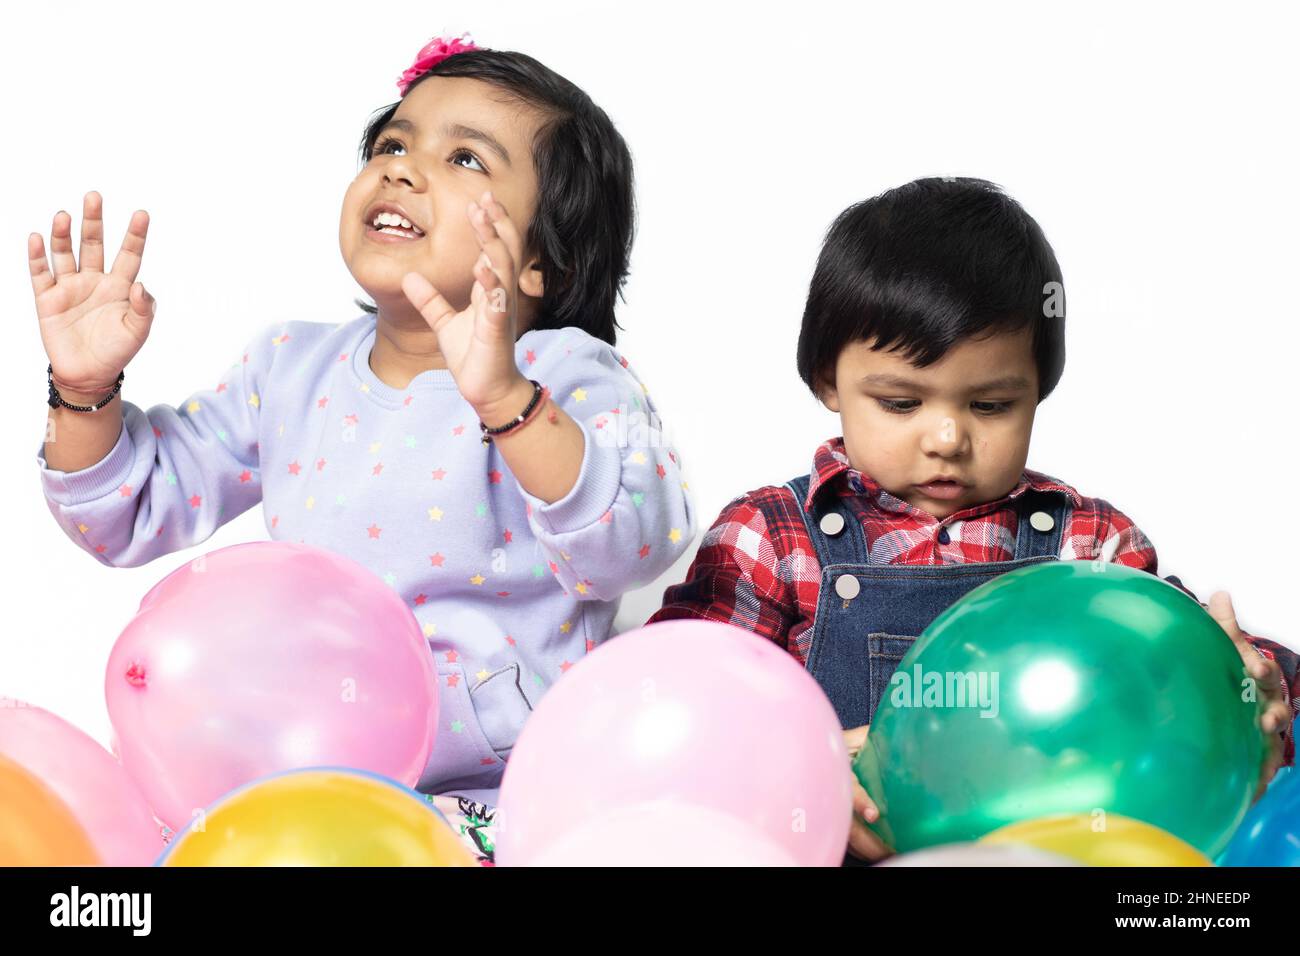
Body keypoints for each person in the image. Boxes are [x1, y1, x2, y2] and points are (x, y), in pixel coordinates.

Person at [31, 33, 696, 865]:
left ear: (542, 265)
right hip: (296, 778)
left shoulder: (564, 375)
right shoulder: (289, 366)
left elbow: (632, 543)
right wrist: (85, 389)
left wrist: (506, 402)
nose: (405, 167)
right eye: (393, 142)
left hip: (495, 798)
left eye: (466, 160)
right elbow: (130, 512)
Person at [648, 176, 1297, 863]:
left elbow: (1179, 690)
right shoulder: (772, 538)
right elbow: (677, 711)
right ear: (827, 381)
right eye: (901, 403)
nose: (948, 438)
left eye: (990, 406)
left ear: (1038, 389)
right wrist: (794, 763)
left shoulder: (1092, 547)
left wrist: (1249, 683)